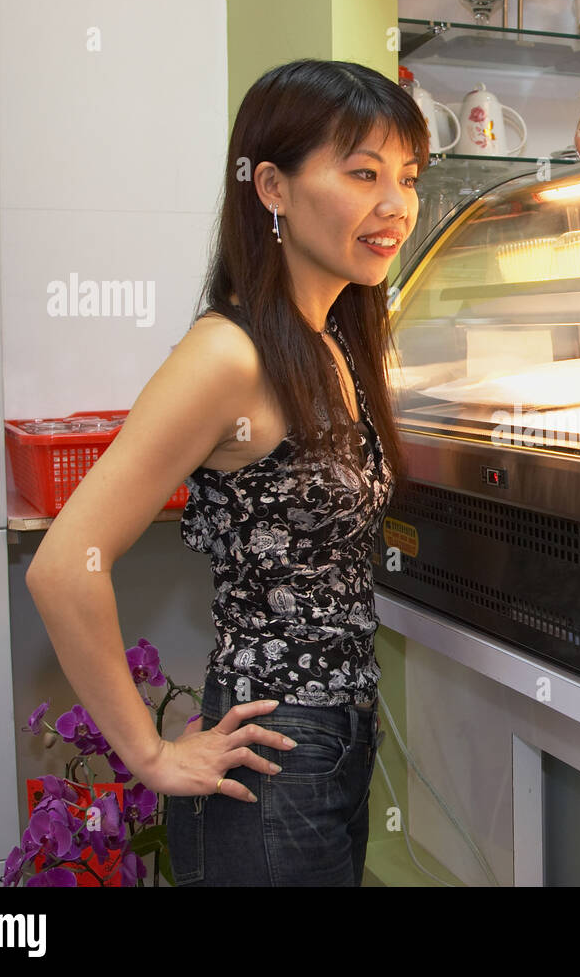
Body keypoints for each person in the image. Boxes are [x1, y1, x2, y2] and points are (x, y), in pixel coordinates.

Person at [25, 59, 427, 886]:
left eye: (408, 177)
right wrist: (149, 753)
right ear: (271, 186)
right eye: (362, 173)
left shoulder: (335, 335)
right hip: (271, 762)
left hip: (338, 742)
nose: (396, 206)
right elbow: (66, 567)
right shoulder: (227, 354)